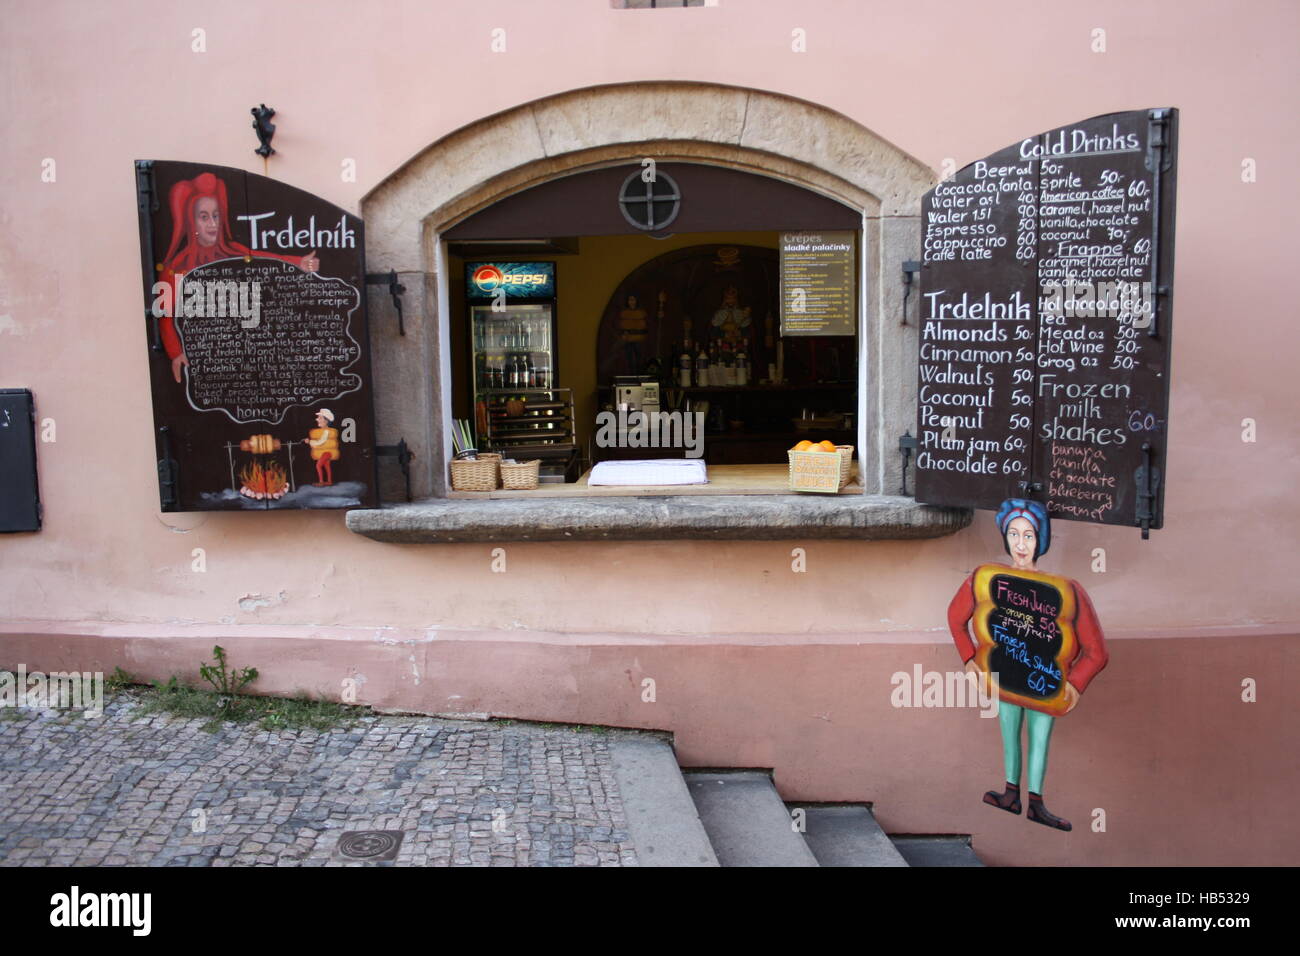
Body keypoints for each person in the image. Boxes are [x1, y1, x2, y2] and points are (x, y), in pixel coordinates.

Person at [947, 498, 1109, 831]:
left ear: (1041, 540)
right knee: (1009, 735)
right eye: (1014, 535)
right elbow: (955, 617)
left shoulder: (1068, 592)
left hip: (1045, 680)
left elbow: (1097, 651)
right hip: (1005, 675)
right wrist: (969, 660)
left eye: (1029, 536)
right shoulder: (985, 579)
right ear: (1005, 538)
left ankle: (1035, 801)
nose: (1021, 544)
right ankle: (1011, 793)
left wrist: (1075, 684)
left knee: (1039, 739)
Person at [157, 171, 319, 383]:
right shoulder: (174, 269)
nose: (212, 224)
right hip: (206, 364)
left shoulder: (234, 252)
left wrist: (297, 262)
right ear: (191, 222)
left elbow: (268, 259)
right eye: (204, 217)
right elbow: (164, 316)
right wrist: (175, 352)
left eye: (215, 216)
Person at [303, 408, 340, 486]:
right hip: (325, 452)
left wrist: (310, 442)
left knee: (318, 465)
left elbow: (320, 442)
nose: (317, 420)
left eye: (320, 418)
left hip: (327, 452)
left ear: (326, 420)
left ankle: (321, 482)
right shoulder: (324, 431)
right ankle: (329, 481)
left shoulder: (326, 431)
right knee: (326, 465)